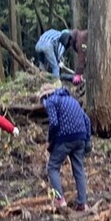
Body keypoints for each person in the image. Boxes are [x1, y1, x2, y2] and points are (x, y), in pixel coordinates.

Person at [39, 83, 91, 211]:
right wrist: (88, 140)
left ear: (45, 96)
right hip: (81, 137)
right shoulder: (72, 99)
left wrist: (51, 142)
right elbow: (87, 120)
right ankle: (82, 203)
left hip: (65, 138)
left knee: (52, 167)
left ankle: (59, 200)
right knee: (79, 169)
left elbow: (54, 124)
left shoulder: (50, 101)